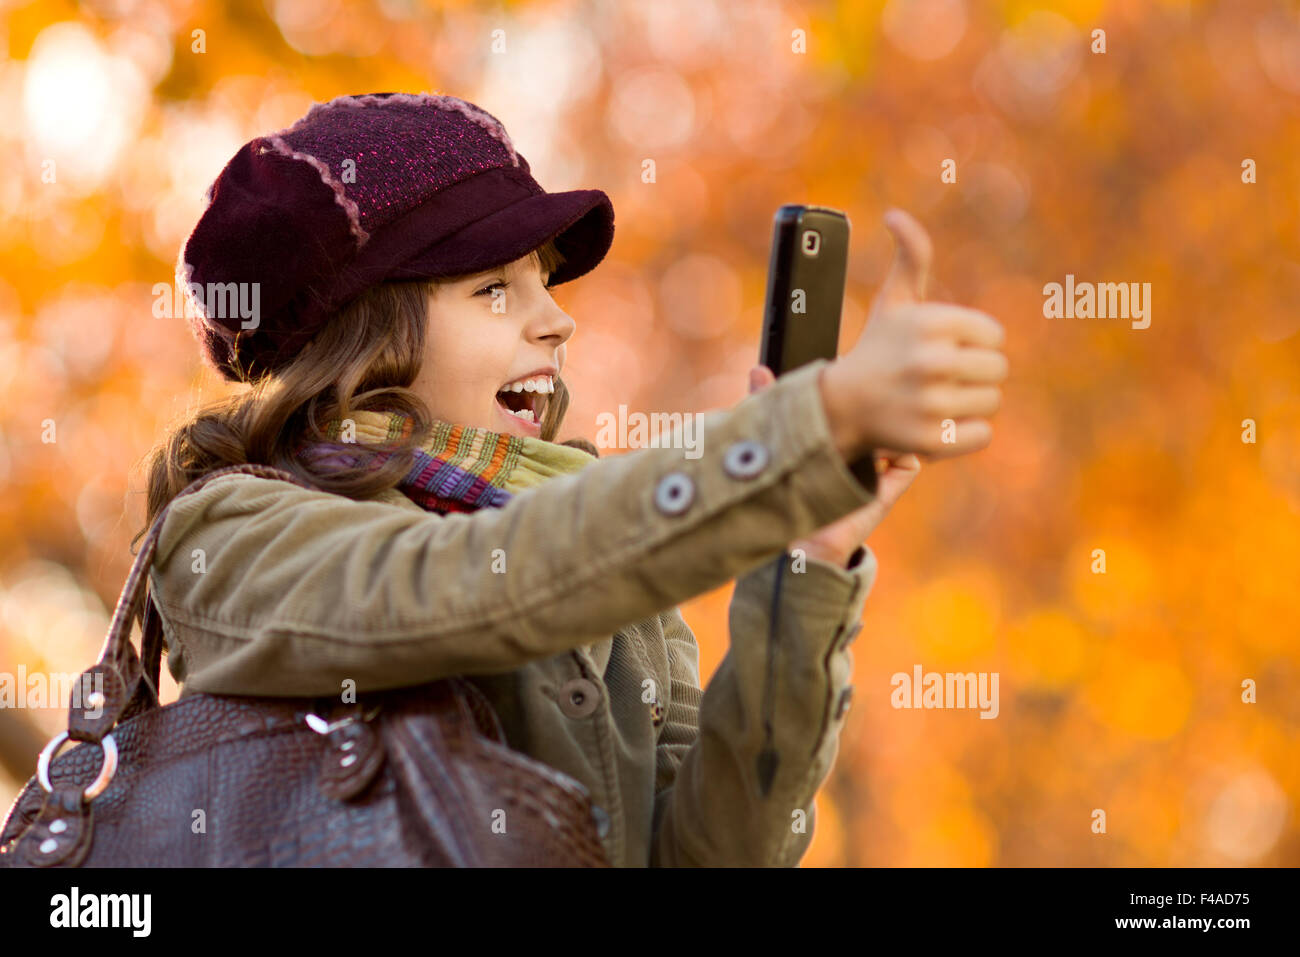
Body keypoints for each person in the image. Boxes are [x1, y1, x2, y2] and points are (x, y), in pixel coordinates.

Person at [138, 92, 1007, 867]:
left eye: (544, 283)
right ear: (367, 332)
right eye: (494, 290)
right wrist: (800, 436)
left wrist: (810, 558)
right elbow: (473, 586)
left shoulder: (597, 559)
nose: (558, 322)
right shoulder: (229, 530)